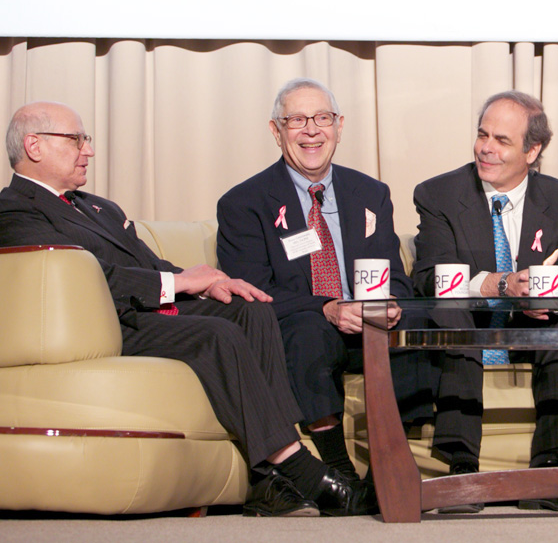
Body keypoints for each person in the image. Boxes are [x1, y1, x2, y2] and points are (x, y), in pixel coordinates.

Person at [0, 101, 367, 517]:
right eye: (76, 140)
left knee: (251, 307)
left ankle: (266, 481)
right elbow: (89, 276)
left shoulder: (98, 207)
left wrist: (213, 283)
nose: (88, 150)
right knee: (218, 334)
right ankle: (294, 464)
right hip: (108, 324)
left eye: (86, 140)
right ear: (34, 145)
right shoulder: (14, 209)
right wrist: (178, 283)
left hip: (145, 312)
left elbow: (149, 266)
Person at [216, 78, 427, 514]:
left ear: (339, 126)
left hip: (368, 326)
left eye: (322, 118)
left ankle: (392, 468)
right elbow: (252, 292)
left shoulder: (371, 193)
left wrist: (390, 304)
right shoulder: (244, 203)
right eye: (297, 120)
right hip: (307, 327)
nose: (311, 130)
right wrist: (328, 308)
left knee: (422, 324)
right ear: (277, 131)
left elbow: (397, 276)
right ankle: (338, 469)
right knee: (309, 329)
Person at [411, 90, 558, 513]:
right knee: (450, 308)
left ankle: (552, 468)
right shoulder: (439, 194)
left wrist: (548, 291)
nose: (486, 149)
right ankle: (461, 466)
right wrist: (500, 284)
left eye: (501, 141)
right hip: (467, 325)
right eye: (483, 135)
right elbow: (426, 277)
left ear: (533, 151)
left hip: (531, 329)